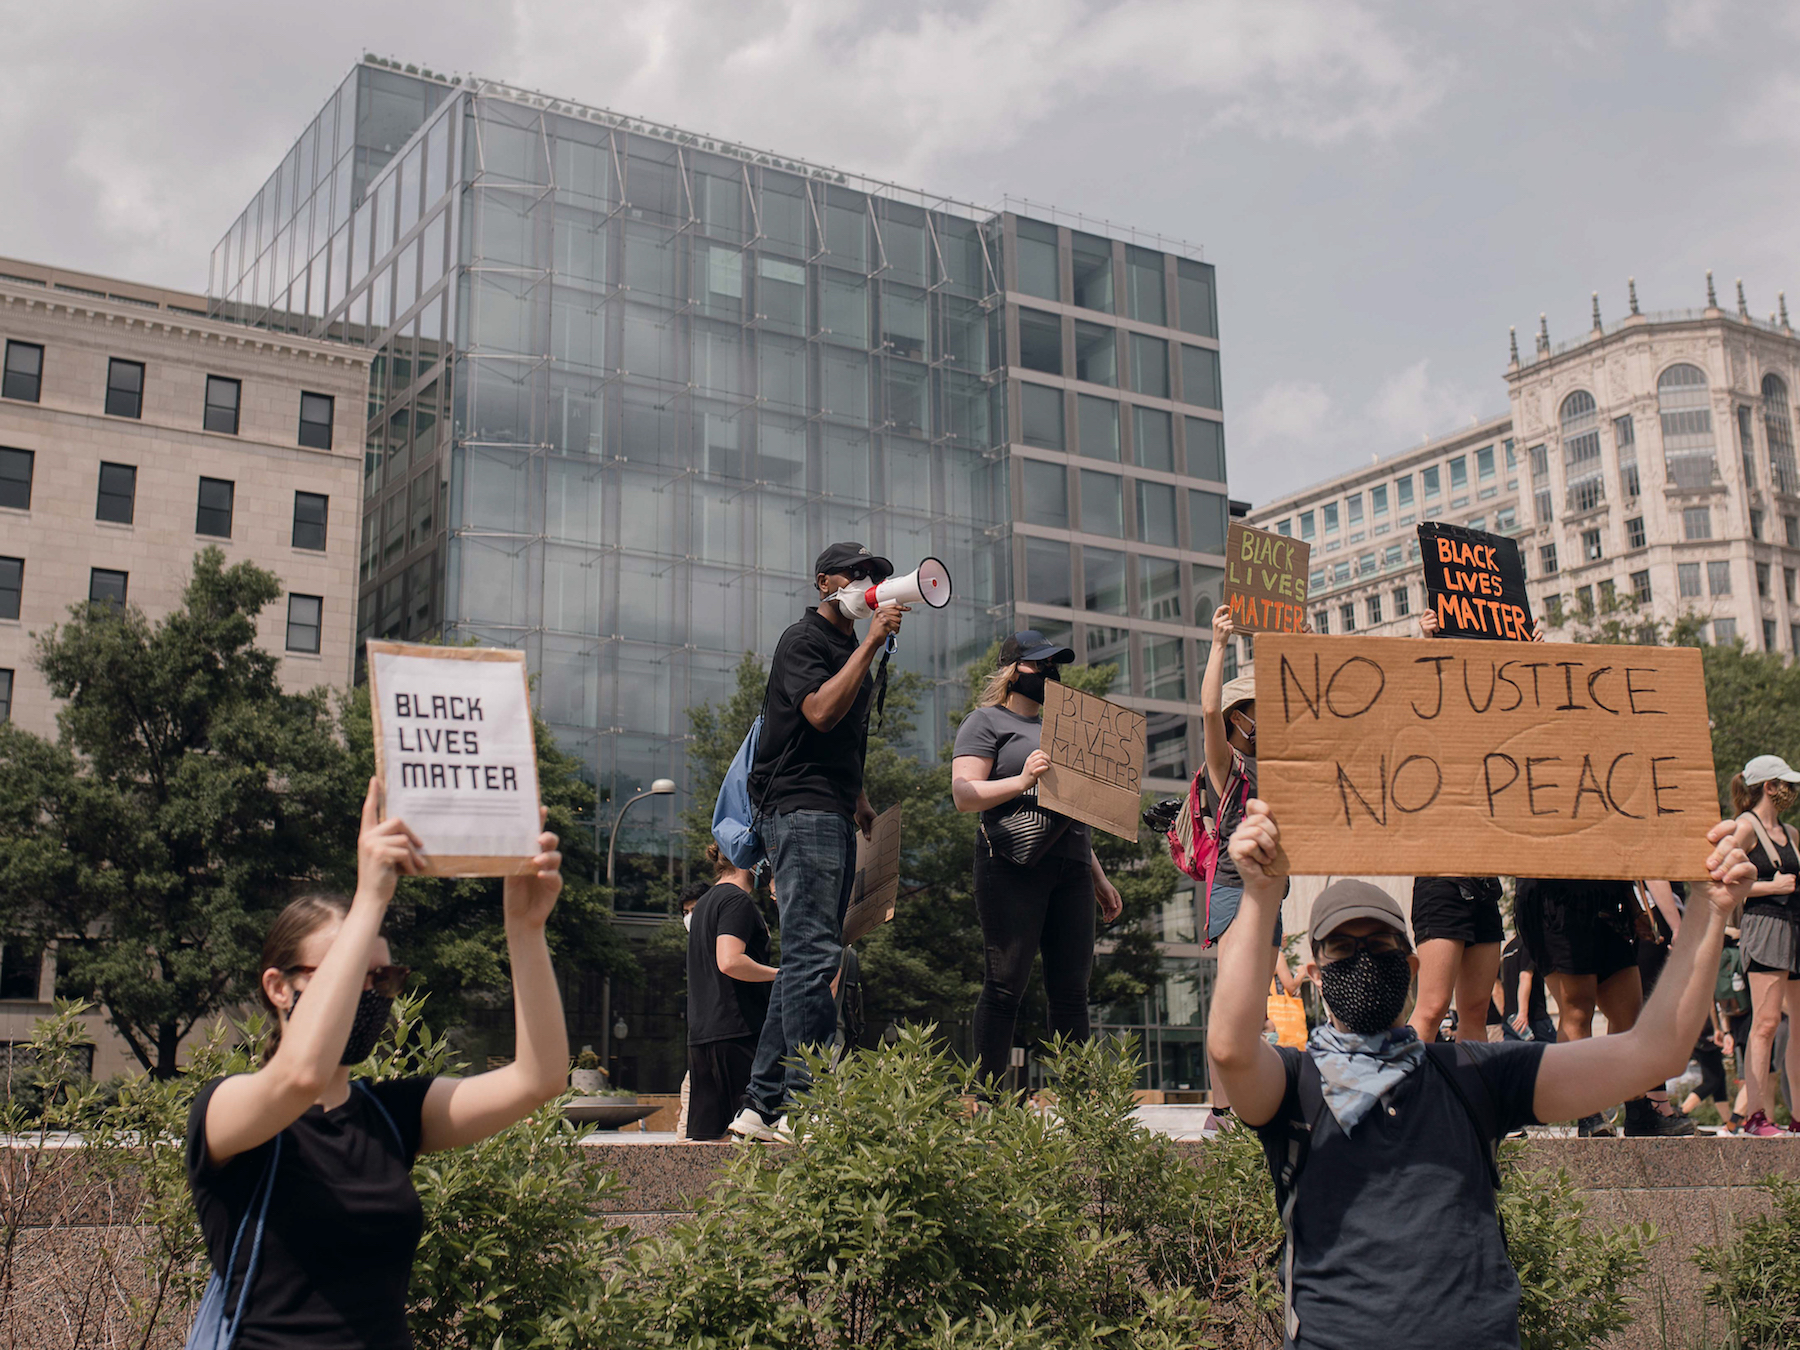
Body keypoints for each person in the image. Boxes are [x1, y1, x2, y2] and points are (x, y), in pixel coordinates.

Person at [1209, 797, 1753, 1350]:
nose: (1364, 957)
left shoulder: (1475, 1074)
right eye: (1344, 948)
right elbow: (1230, 1050)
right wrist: (1259, 891)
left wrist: (1711, 907)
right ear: (1318, 975)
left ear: (1412, 967)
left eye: (1379, 945)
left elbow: (1653, 1053)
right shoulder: (1297, 1087)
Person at [184, 781, 569, 1348]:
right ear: (278, 988)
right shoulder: (226, 1111)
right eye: (346, 969)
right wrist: (371, 897)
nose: (370, 994)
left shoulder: (390, 1115)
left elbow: (538, 1078)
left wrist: (525, 929)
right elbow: (299, 1078)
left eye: (382, 977)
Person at [730, 543, 903, 1142]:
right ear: (824, 581)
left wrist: (856, 797)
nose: (868, 583)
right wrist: (872, 644)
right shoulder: (802, 641)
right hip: (799, 812)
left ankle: (759, 1102)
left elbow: (841, 738)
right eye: (857, 574)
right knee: (813, 955)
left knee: (809, 955)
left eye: (877, 577)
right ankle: (809, 1102)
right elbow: (822, 713)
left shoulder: (843, 648)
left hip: (827, 809)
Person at [950, 631, 1124, 1089]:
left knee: (1072, 992)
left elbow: (1074, 813)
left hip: (1070, 869)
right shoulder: (984, 722)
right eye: (1041, 664)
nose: (1050, 672)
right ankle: (987, 1103)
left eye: (1054, 664)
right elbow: (964, 794)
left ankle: (1083, 1108)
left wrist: (1098, 878)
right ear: (1014, 670)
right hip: (1009, 864)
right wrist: (1024, 779)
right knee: (1005, 984)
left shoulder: (1066, 730)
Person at [1513, 872, 1693, 1135]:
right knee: (1577, 1008)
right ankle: (1587, 1114)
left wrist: (1633, 907)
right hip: (1555, 896)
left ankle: (1638, 1110)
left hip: (1609, 897)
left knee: (1630, 1014)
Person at [1726, 755, 1800, 1135]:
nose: (1793, 790)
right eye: (1786, 783)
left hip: (1794, 926)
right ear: (1768, 786)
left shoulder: (1790, 832)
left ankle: (1798, 1115)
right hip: (1765, 925)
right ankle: (1755, 1115)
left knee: (1798, 1026)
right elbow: (1723, 878)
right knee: (1767, 1022)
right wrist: (1771, 886)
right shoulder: (1745, 827)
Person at [687, 846, 777, 1141]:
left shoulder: (703, 904)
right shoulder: (737, 900)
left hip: (703, 1036)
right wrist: (783, 975)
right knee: (752, 1140)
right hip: (738, 1034)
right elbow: (730, 961)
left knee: (707, 1148)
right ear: (750, 860)